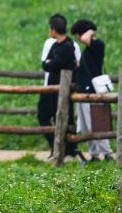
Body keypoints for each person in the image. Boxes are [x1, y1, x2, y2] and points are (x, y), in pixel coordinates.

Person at [39, 14, 84, 164]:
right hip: (50, 86)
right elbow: (45, 64)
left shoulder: (69, 45)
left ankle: (69, 150)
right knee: (46, 116)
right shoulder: (53, 45)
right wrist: (53, 63)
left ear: (54, 29)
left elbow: (66, 63)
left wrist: (53, 63)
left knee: (66, 117)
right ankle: (57, 147)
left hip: (63, 87)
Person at [72, 19, 114, 162]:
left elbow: (84, 38)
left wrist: (91, 30)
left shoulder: (97, 45)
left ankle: (108, 153)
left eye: (78, 34)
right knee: (86, 126)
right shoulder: (90, 48)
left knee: (97, 124)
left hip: (93, 91)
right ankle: (94, 154)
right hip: (84, 91)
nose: (78, 37)